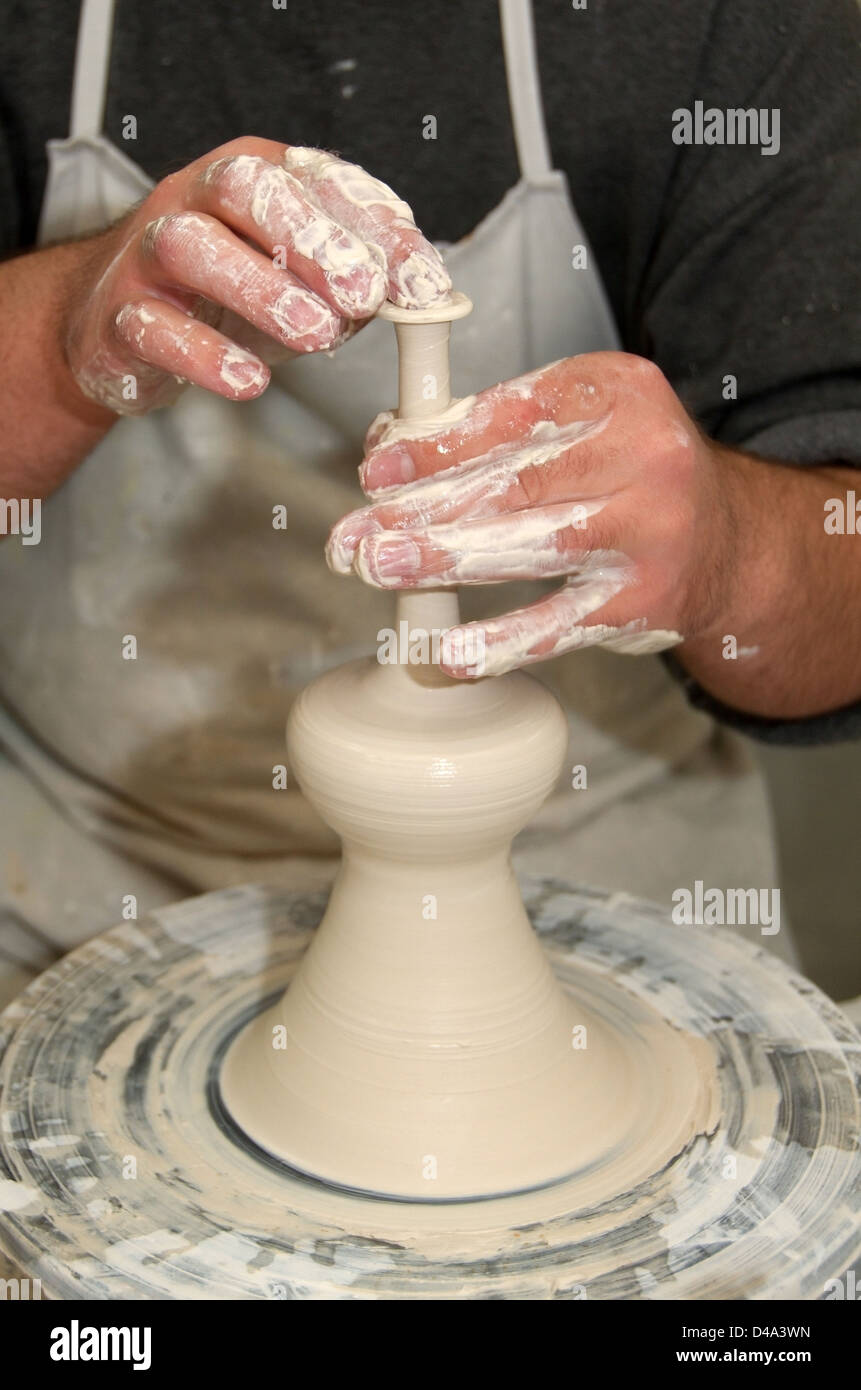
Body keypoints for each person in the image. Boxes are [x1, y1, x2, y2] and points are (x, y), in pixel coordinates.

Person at [0, 0, 858, 1006]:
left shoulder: (723, 25)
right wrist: (65, 334)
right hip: (81, 883)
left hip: (608, 885)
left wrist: (732, 551)